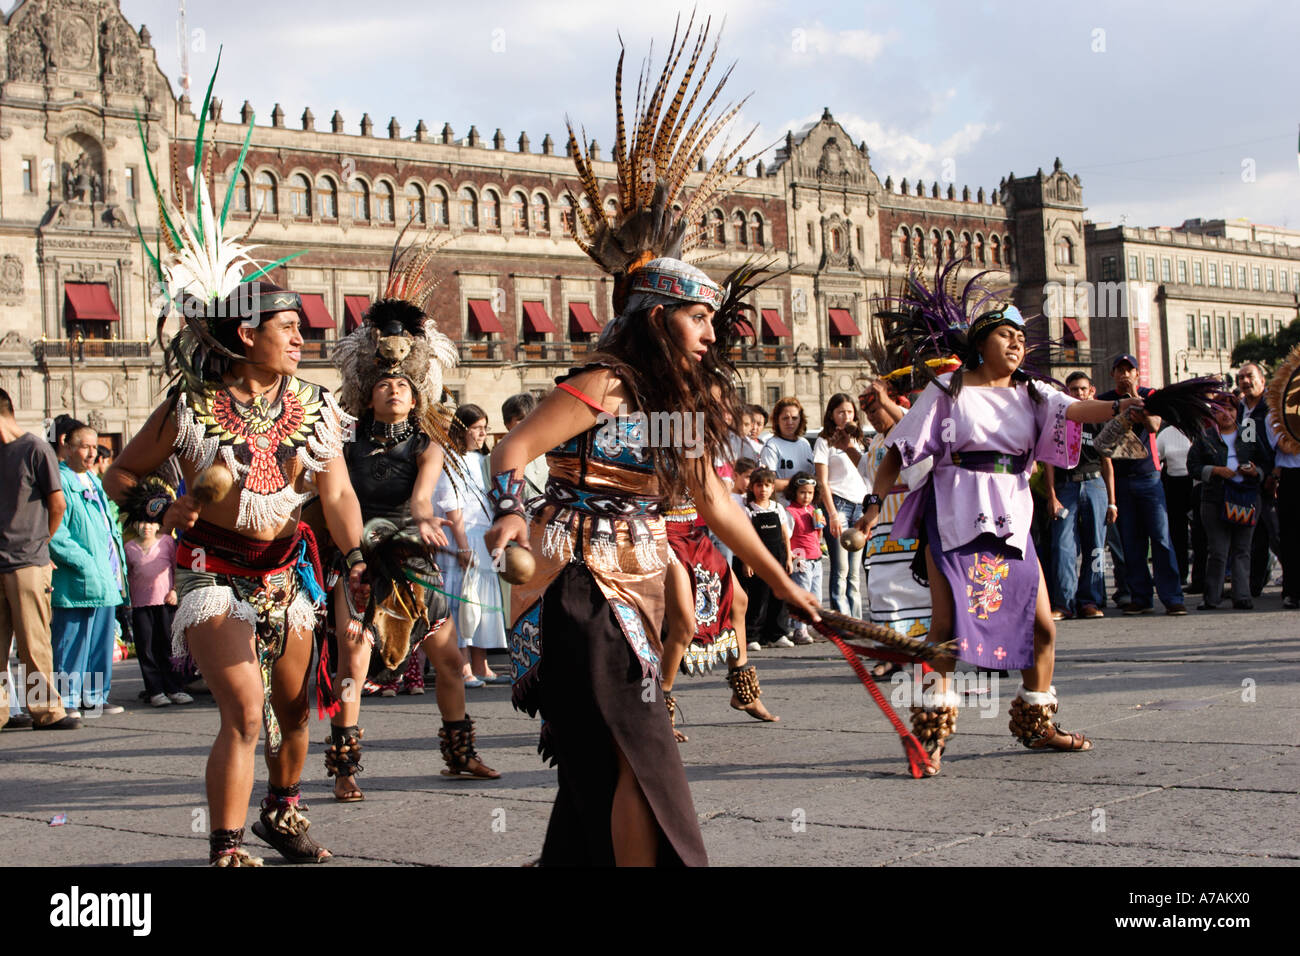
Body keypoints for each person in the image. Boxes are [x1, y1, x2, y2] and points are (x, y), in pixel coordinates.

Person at [485, 26, 818, 864]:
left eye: (714, 317)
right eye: (700, 317)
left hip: (641, 575)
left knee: (603, 768)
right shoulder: (601, 385)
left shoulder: (678, 405)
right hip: (577, 583)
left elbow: (713, 501)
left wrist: (785, 580)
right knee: (645, 754)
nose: (715, 332)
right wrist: (509, 520)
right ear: (657, 316)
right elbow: (510, 451)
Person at [105, 70, 367, 866]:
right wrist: (162, 504)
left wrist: (355, 560)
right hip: (213, 573)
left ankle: (280, 815)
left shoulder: (319, 410)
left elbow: (338, 491)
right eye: (288, 326)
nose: (301, 337)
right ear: (246, 335)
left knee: (296, 714)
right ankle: (224, 845)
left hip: (291, 576)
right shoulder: (187, 410)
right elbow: (120, 476)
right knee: (246, 710)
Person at [863, 266, 1146, 775]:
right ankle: (930, 735)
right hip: (954, 521)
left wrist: (1121, 405)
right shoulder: (948, 390)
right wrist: (867, 512)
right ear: (980, 341)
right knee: (946, 634)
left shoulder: (1034, 393)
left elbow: (1079, 408)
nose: (1016, 344)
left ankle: (1036, 724)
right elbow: (897, 451)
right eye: (1005, 335)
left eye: (1021, 338)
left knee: (1042, 628)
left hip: (1013, 523)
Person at [329, 235, 501, 798]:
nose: (395, 390)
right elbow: (335, 499)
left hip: (414, 555)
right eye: (385, 385)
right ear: (369, 394)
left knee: (447, 660)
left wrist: (425, 521)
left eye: (403, 384)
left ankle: (460, 752)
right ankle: (346, 769)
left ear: (415, 392)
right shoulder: (344, 441)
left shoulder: (429, 443)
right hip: (359, 556)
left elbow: (424, 497)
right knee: (353, 664)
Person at [0, 387, 79, 730]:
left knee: (34, 642)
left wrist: (41, 545)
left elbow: (58, 504)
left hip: (27, 561)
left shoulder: (35, 448)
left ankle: (46, 711)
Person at [1096, 354, 1188, 616]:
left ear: (1137, 374)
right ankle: (1140, 596)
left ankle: (1172, 597)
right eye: (1120, 370)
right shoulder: (1106, 400)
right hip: (1122, 478)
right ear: (1113, 374)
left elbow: (1154, 425)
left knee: (1160, 537)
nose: (1125, 374)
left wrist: (1136, 397)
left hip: (1149, 476)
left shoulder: (1150, 395)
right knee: (1131, 541)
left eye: (1130, 370)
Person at [856, 377, 932, 678]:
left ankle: (914, 653)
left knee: (910, 592)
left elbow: (908, 423)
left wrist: (884, 398)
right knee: (880, 591)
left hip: (906, 521)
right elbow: (868, 471)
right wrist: (848, 448)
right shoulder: (877, 440)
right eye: (870, 414)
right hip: (880, 520)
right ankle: (890, 653)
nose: (873, 418)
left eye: (877, 411)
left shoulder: (907, 432)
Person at [49, 422, 127, 718]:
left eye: (95, 447)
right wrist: (83, 562)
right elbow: (55, 531)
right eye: (85, 446)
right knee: (72, 640)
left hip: (106, 576)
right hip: (77, 578)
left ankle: (94, 697)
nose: (92, 453)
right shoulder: (60, 479)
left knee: (100, 641)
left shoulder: (95, 479)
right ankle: (67, 699)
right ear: (67, 446)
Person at [437, 404, 508, 684]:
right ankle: (462, 666)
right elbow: (450, 505)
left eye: (484, 428)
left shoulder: (482, 460)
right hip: (460, 536)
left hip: (484, 534)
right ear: (461, 429)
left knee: (485, 601)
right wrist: (463, 545)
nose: (482, 434)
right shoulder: (448, 458)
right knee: (462, 599)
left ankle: (481, 664)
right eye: (476, 428)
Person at [1186, 397, 1271, 610]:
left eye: (1231, 409)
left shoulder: (1248, 432)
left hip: (1246, 497)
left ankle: (1242, 596)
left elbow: (1265, 462)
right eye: (1220, 410)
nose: (1226, 414)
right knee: (1217, 550)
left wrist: (1255, 471)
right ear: (1213, 414)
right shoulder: (1205, 435)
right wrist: (1215, 470)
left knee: (1243, 548)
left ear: (1237, 412)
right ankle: (1212, 598)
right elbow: (1193, 465)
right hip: (1215, 498)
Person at [1045, 372, 1116, 620]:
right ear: (1067, 392)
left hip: (1095, 484)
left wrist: (1113, 502)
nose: (1079, 393)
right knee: (1063, 546)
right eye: (1074, 389)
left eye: (1083, 389)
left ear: (1092, 391)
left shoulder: (1098, 419)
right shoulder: (1059, 419)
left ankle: (1090, 601)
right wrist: (1051, 495)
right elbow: (1049, 462)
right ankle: (1064, 603)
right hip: (1066, 486)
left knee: (1095, 545)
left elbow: (1107, 462)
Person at [123, 519, 191, 706]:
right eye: (142, 523)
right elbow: (126, 574)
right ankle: (155, 691)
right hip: (140, 605)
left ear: (158, 525)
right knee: (146, 648)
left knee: (169, 645)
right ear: (135, 525)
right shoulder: (128, 547)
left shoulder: (167, 542)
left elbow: (178, 567)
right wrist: (126, 600)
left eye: (151, 523)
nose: (146, 527)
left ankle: (175, 688)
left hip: (165, 602)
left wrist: (175, 590)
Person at [814, 393, 868, 617]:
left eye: (849, 411)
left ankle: (857, 620)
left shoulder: (859, 441)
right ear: (832, 415)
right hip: (838, 505)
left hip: (860, 506)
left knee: (855, 573)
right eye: (840, 412)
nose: (846, 416)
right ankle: (842, 620)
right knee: (841, 569)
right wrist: (833, 514)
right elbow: (822, 482)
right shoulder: (824, 441)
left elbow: (867, 475)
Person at [735, 467, 795, 648]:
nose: (763, 489)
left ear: (773, 488)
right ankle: (752, 636)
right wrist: (746, 562)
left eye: (767, 485)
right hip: (757, 560)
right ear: (752, 487)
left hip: (778, 556)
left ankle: (777, 634)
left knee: (779, 597)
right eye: (759, 485)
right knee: (758, 599)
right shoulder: (747, 510)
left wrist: (789, 559)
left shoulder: (778, 508)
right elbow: (744, 538)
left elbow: (785, 535)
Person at [1237, 363, 1281, 596]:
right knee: (1257, 537)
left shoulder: (1273, 408)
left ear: (1262, 381)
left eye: (1250, 376)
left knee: (1278, 534)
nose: (1245, 381)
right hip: (1253, 481)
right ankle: (1253, 586)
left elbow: (1284, 447)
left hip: (1273, 479)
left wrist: (1274, 474)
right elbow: (1248, 444)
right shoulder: (1242, 409)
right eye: (1241, 377)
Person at [782, 471, 823, 645]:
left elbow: (816, 535)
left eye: (810, 493)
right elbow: (786, 536)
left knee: (816, 594)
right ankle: (799, 628)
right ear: (794, 492)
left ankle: (813, 624)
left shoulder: (813, 510)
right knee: (802, 592)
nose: (806, 496)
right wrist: (789, 555)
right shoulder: (790, 512)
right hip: (800, 556)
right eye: (802, 492)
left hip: (816, 557)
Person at [1156, 422, 1194, 588]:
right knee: (1177, 532)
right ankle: (1180, 573)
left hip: (1195, 482)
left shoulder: (1197, 430)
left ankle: (1202, 577)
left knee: (1200, 534)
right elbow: (1156, 458)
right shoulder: (1166, 433)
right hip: (1173, 484)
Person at [760, 397, 815, 493]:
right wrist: (799, 483)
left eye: (794, 418)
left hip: (807, 506)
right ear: (777, 420)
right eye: (785, 418)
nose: (790, 422)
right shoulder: (772, 446)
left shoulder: (805, 444)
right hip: (784, 505)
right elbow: (769, 484)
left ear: (800, 420)